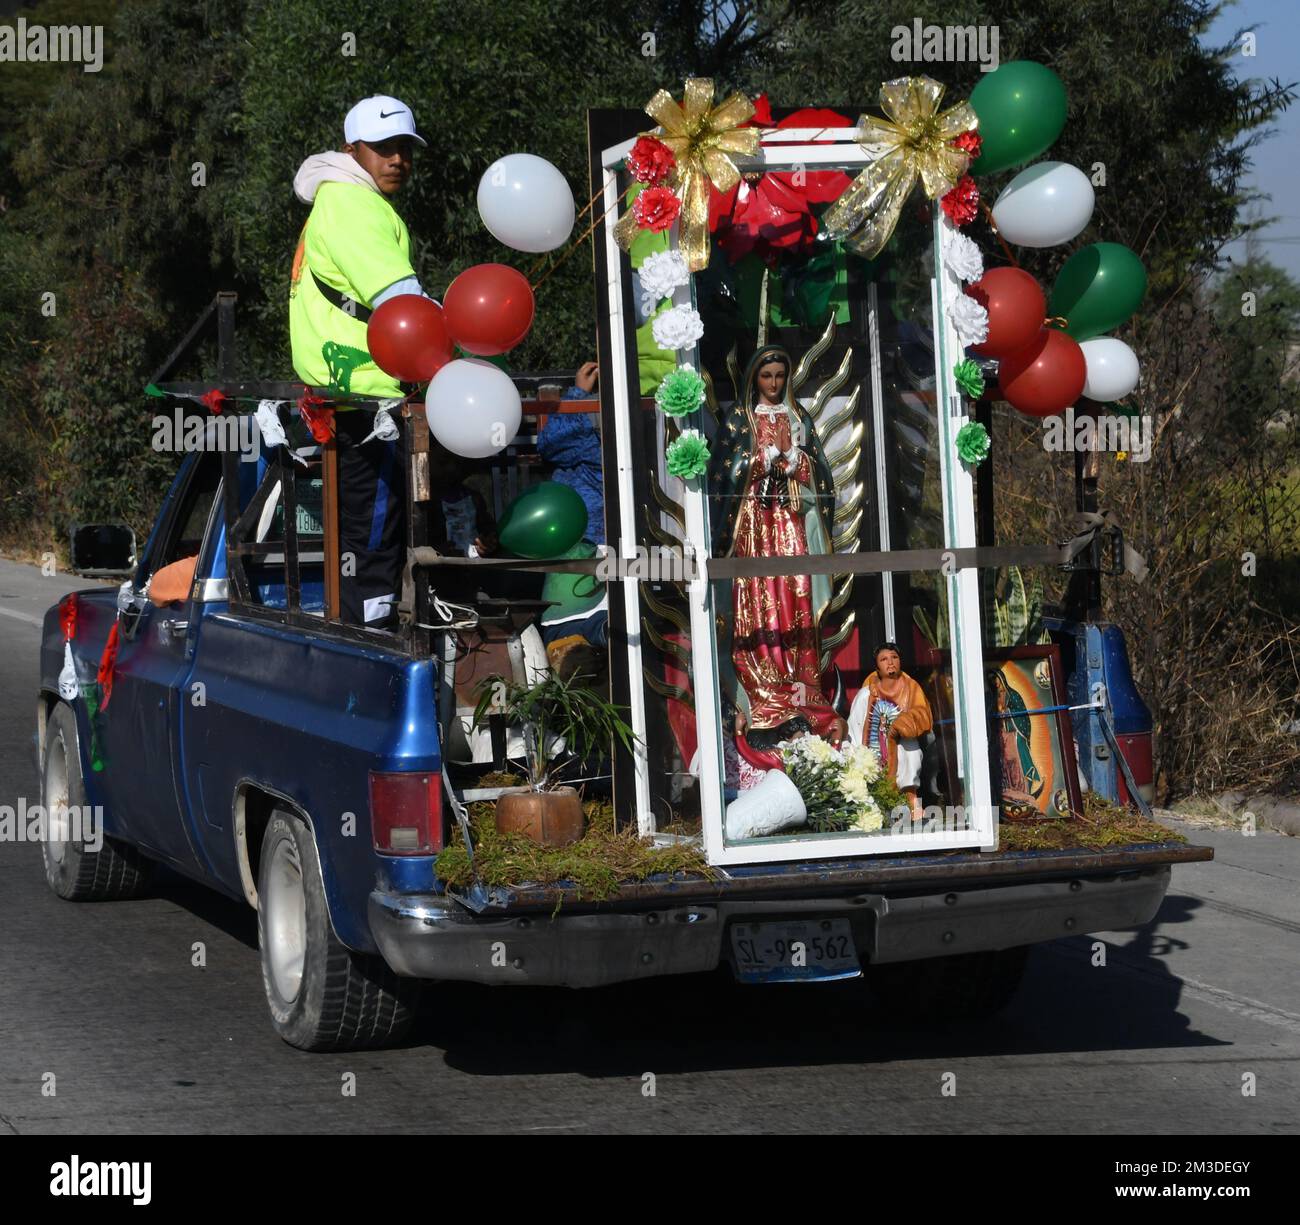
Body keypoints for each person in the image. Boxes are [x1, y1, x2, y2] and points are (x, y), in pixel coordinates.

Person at [289, 94, 434, 628]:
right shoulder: (354, 204)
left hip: (351, 396)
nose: (398, 159)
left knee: (368, 535)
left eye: (405, 148)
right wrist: (451, 356)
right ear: (352, 150)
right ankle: (371, 644)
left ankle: (363, 633)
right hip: (369, 401)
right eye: (383, 148)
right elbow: (400, 297)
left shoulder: (337, 201)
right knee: (374, 538)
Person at [708, 346, 845, 749]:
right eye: (767, 376)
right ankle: (762, 680)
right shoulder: (740, 418)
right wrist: (758, 461)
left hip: (790, 523)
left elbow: (821, 476)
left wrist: (795, 462)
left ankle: (798, 681)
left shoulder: (799, 417)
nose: (773, 384)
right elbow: (721, 475)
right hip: (752, 526)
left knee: (794, 594)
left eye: (780, 376)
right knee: (758, 595)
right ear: (755, 378)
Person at [537, 361, 608, 680]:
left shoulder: (640, 436)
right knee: (573, 661)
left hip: (625, 551)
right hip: (581, 550)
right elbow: (550, 441)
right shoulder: (580, 443)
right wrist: (580, 394)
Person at [847, 642, 933, 819]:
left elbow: (922, 713)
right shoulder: (866, 693)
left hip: (901, 739)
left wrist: (905, 722)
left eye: (894, 657)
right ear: (877, 666)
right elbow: (855, 723)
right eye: (884, 659)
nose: (890, 662)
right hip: (873, 743)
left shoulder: (911, 687)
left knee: (911, 750)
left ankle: (912, 799)